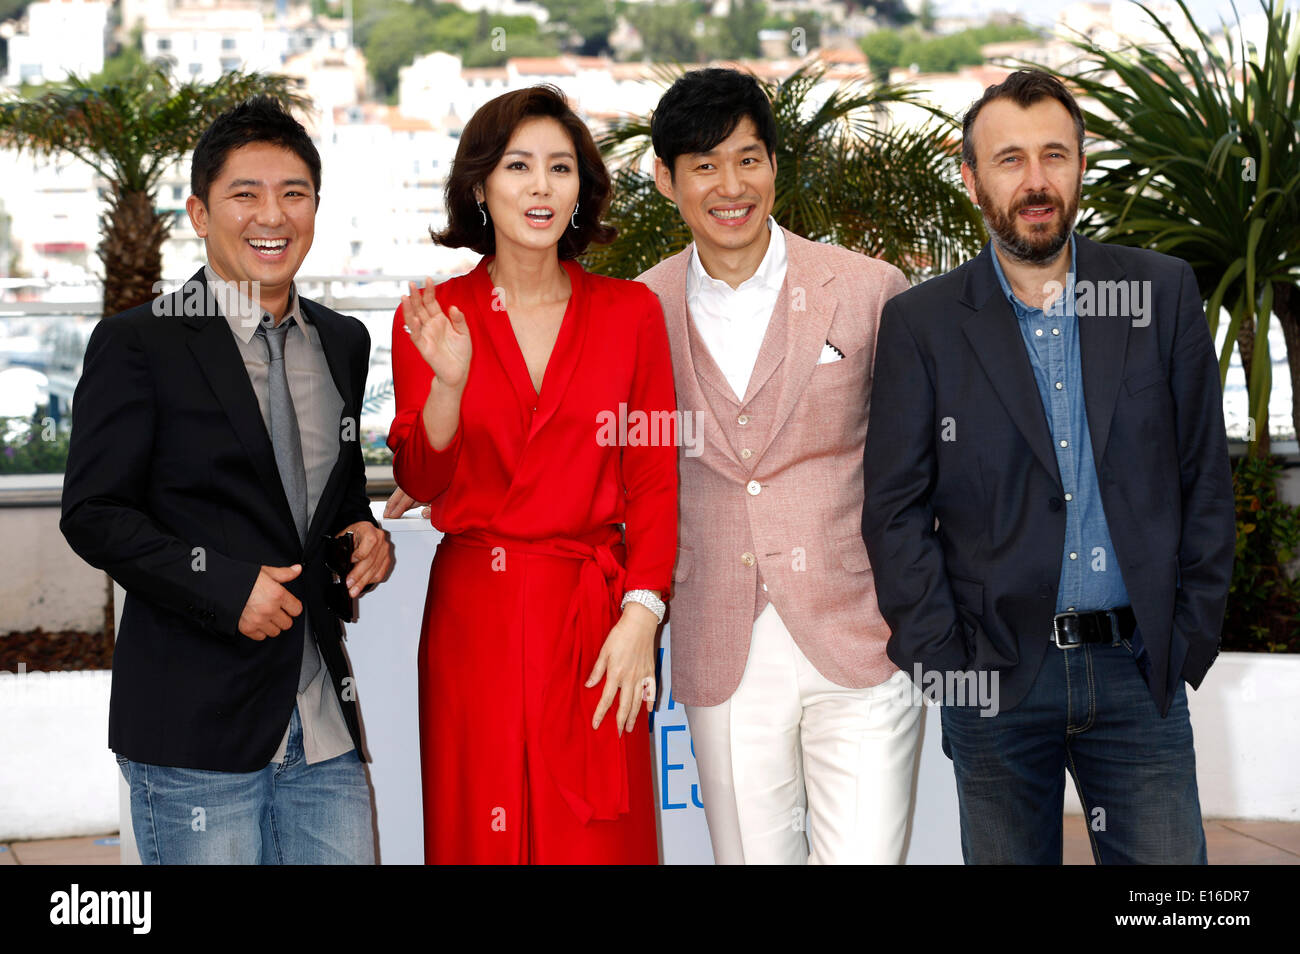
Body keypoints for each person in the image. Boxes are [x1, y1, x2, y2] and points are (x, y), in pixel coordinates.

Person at [862, 70, 1235, 864]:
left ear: (1080, 166)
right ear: (972, 178)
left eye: (1054, 155)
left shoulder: (1160, 293)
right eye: (1010, 159)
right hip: (994, 678)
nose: (1036, 181)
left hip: (1139, 673)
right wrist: (946, 663)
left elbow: (1205, 475)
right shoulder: (922, 324)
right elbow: (895, 511)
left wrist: (1188, 637)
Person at [60, 96, 393, 864]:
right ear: (200, 214)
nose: (272, 215)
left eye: (293, 193)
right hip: (193, 731)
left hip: (321, 722)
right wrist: (225, 587)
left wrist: (364, 533)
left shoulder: (342, 341)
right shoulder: (139, 342)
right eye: (246, 193)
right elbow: (94, 511)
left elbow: (332, 495)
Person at [384, 85, 678, 864]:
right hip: (474, 619)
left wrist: (642, 617)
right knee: (481, 832)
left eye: (560, 167)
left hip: (597, 621)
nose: (541, 186)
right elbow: (421, 476)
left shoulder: (632, 313)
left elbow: (654, 480)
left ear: (582, 188)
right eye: (518, 166)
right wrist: (448, 385)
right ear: (481, 186)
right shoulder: (431, 315)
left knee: (596, 839)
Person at [637, 67, 919, 864]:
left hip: (860, 635)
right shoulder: (639, 308)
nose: (731, 186)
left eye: (748, 159)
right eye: (705, 165)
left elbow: (919, 462)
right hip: (720, 636)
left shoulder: (868, 290)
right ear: (667, 179)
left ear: (773, 164)